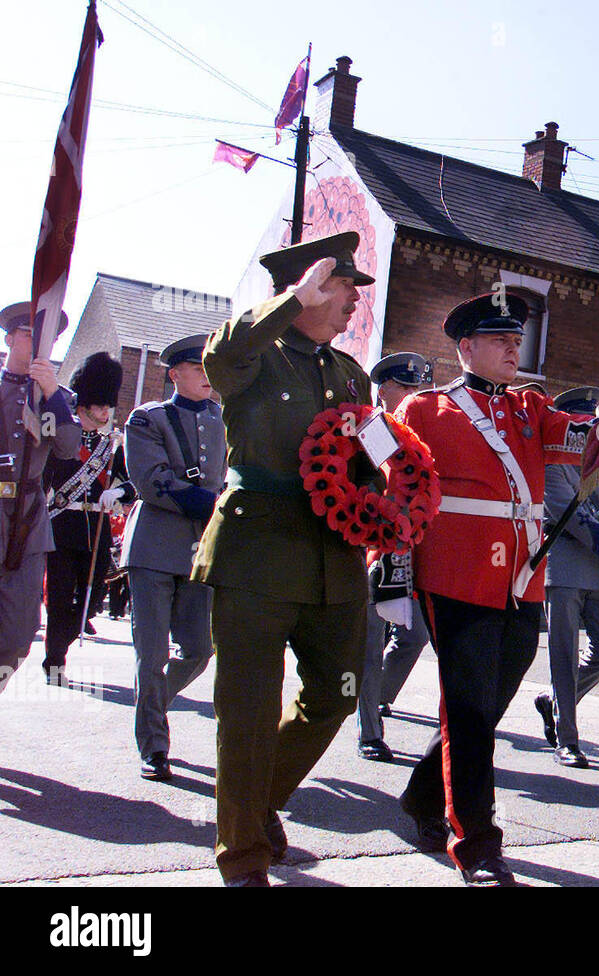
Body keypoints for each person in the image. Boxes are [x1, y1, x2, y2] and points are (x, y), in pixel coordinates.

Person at [192, 231, 377, 887]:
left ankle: (255, 800)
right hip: (256, 559)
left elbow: (376, 461)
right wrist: (286, 302)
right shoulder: (255, 358)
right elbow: (223, 352)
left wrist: (397, 499)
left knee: (337, 695)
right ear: (307, 289)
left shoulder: (351, 375)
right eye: (344, 287)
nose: (355, 302)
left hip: (333, 563)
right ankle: (242, 858)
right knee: (246, 715)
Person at [395, 291, 590, 887]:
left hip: (522, 579)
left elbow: (587, 439)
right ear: (466, 348)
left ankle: (423, 796)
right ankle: (477, 844)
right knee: (473, 711)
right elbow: (396, 486)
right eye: (500, 340)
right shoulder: (426, 410)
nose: (513, 348)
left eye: (516, 340)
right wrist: (392, 572)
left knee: (485, 704)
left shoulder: (533, 408)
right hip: (455, 574)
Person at [122, 333, 227, 781]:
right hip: (153, 548)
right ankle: (154, 745)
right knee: (152, 654)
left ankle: (151, 703)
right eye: (198, 368)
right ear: (175, 375)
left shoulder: (225, 420)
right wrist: (222, 507)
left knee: (200, 650)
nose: (207, 376)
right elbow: (153, 482)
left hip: (200, 554)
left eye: (209, 368)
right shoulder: (147, 418)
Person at [533, 385, 599, 769]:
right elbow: (569, 515)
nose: (587, 433)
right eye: (581, 425)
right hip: (566, 569)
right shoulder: (551, 463)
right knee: (563, 655)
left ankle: (555, 704)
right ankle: (567, 739)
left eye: (592, 426)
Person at [356, 351, 432, 762]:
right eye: (403, 387)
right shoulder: (368, 427)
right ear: (383, 389)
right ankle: (370, 729)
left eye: (415, 388)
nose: (410, 396)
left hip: (408, 549)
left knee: (414, 635)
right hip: (372, 546)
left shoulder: (416, 436)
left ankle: (377, 697)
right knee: (370, 641)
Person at [0, 302, 79, 694]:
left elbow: (67, 448)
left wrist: (50, 392)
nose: (35, 343)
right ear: (10, 337)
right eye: (28, 333)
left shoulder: (57, 397)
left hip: (28, 518)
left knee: (20, 632)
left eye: (44, 337)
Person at [43, 351, 135, 683]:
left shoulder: (112, 446)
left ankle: (60, 644)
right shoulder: (61, 439)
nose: (106, 411)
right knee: (60, 598)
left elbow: (130, 482)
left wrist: (119, 493)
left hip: (96, 528)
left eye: (107, 406)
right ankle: (55, 661)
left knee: (92, 600)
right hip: (61, 526)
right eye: (100, 406)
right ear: (83, 405)